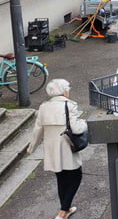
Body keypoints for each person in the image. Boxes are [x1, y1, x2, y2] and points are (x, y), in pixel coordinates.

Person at [27, 79, 87, 219]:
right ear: (64, 91)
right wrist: (84, 123)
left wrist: (31, 148)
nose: (68, 91)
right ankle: (62, 211)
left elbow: (38, 130)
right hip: (66, 146)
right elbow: (77, 129)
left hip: (51, 148)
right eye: (68, 89)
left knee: (61, 178)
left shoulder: (43, 107)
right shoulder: (69, 105)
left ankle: (65, 211)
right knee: (76, 176)